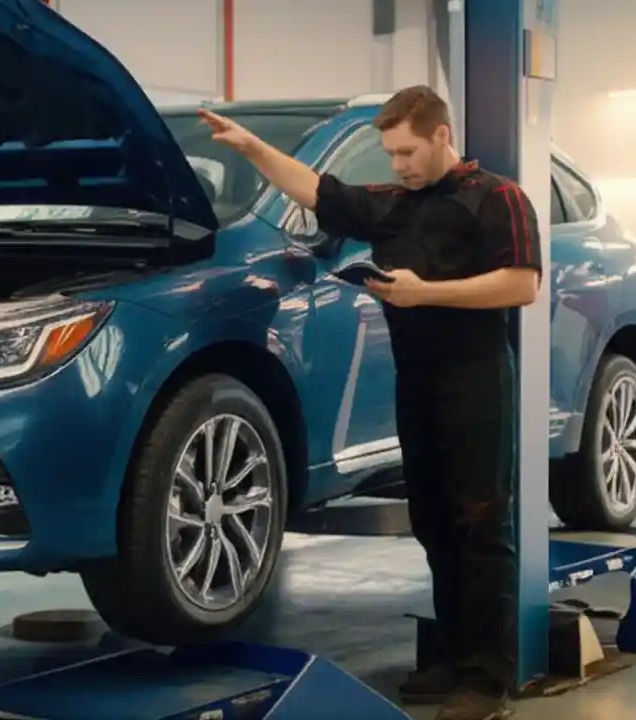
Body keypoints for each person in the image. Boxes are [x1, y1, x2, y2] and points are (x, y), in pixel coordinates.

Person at [200, 85, 541, 720]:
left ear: (442, 135)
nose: (399, 166)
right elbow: (316, 190)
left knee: (481, 524)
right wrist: (249, 147)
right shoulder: (393, 206)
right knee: (434, 522)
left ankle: (486, 682)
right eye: (389, 154)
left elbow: (521, 284)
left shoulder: (499, 198)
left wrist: (425, 294)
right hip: (416, 380)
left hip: (476, 379)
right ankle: (451, 657)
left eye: (408, 151)